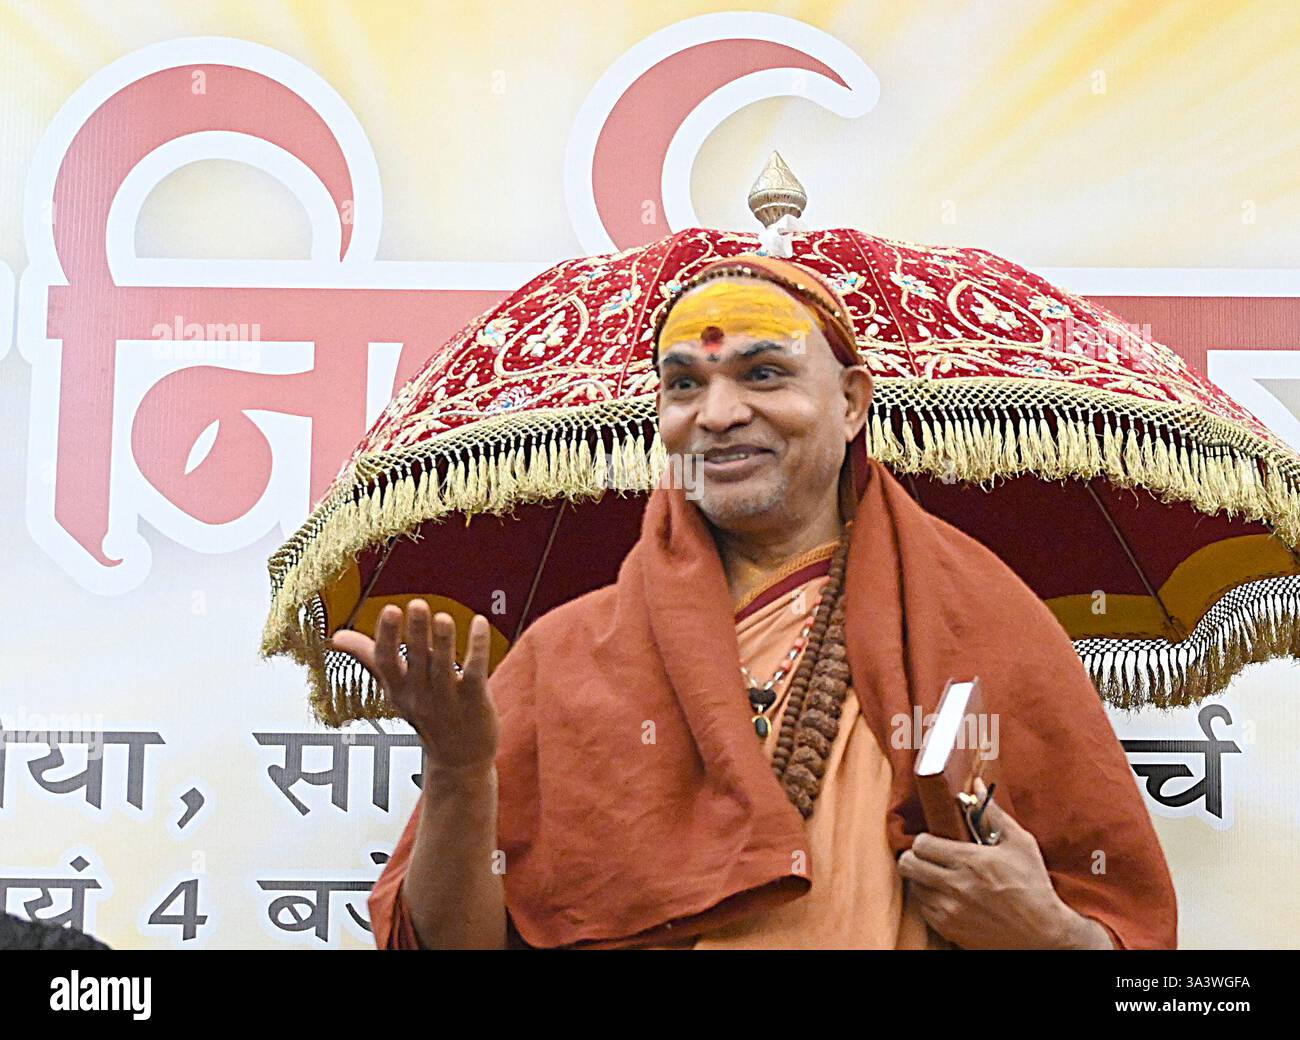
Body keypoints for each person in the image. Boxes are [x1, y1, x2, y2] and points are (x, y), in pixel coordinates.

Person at [334, 253, 1178, 950]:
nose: (720, 414)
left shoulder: (983, 618)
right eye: (684, 386)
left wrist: (1055, 938)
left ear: (849, 403)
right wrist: (457, 768)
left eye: (763, 374)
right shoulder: (568, 654)